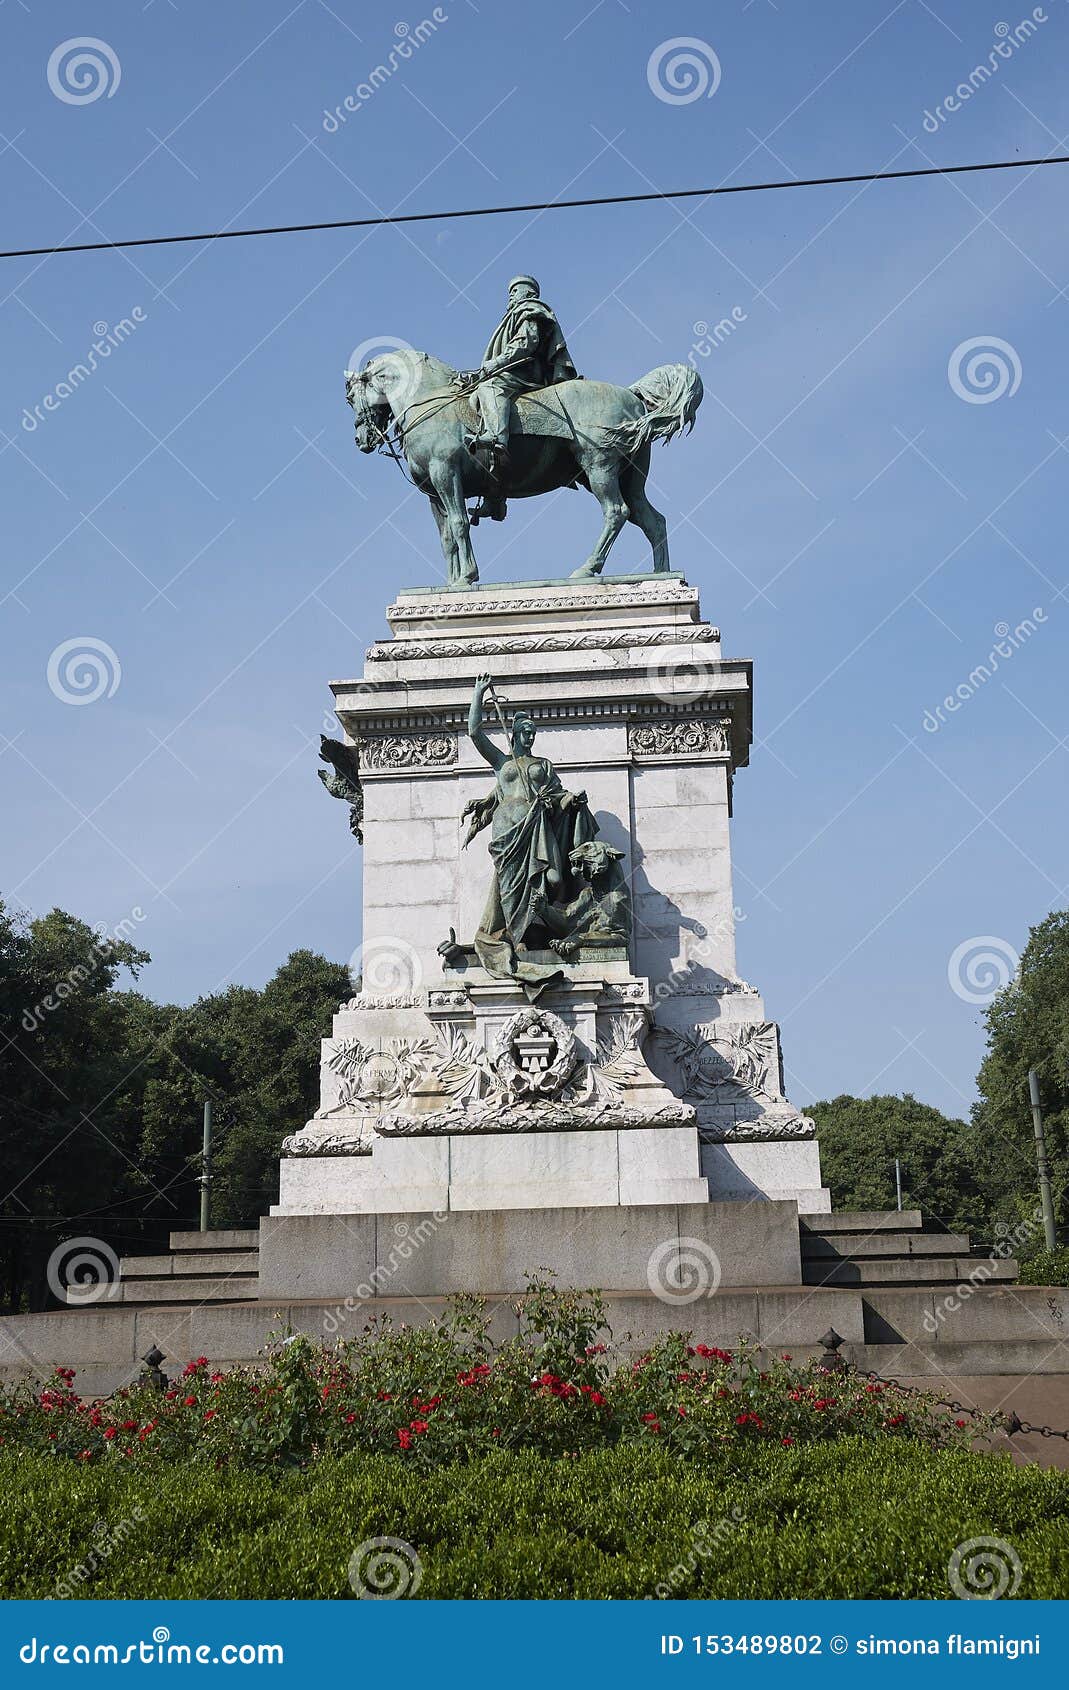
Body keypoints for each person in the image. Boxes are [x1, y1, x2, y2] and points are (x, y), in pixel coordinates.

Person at [464, 672, 595, 994]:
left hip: (536, 827)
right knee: (509, 885)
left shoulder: (543, 764)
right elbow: (475, 732)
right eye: (525, 732)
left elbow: (556, 795)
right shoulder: (502, 762)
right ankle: (515, 936)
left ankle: (539, 928)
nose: (530, 736)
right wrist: (478, 694)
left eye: (533, 732)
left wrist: (570, 800)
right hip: (506, 829)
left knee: (550, 879)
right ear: (515, 735)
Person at [461, 275, 577, 520]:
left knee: (491, 387)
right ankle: (495, 498)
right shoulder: (513, 315)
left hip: (525, 373)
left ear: (529, 293)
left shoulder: (530, 309)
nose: (511, 295)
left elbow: (526, 344)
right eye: (510, 291)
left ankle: (496, 438)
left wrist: (493, 366)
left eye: (516, 290)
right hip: (513, 371)